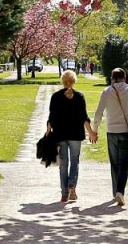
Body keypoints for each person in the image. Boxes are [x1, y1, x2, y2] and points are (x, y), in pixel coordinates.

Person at [90, 67, 128, 207]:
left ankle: (116, 192)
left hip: (112, 132)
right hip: (127, 131)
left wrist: (94, 130)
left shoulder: (107, 92)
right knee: (124, 164)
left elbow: (98, 114)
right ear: (124, 78)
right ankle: (120, 191)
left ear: (111, 78)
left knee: (114, 164)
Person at [46, 70, 93, 203]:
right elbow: (84, 117)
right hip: (76, 135)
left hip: (60, 135)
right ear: (74, 81)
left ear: (62, 81)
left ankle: (64, 193)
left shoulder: (55, 97)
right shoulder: (79, 96)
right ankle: (72, 184)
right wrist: (91, 133)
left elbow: (51, 117)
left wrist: (48, 132)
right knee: (75, 161)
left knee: (63, 164)